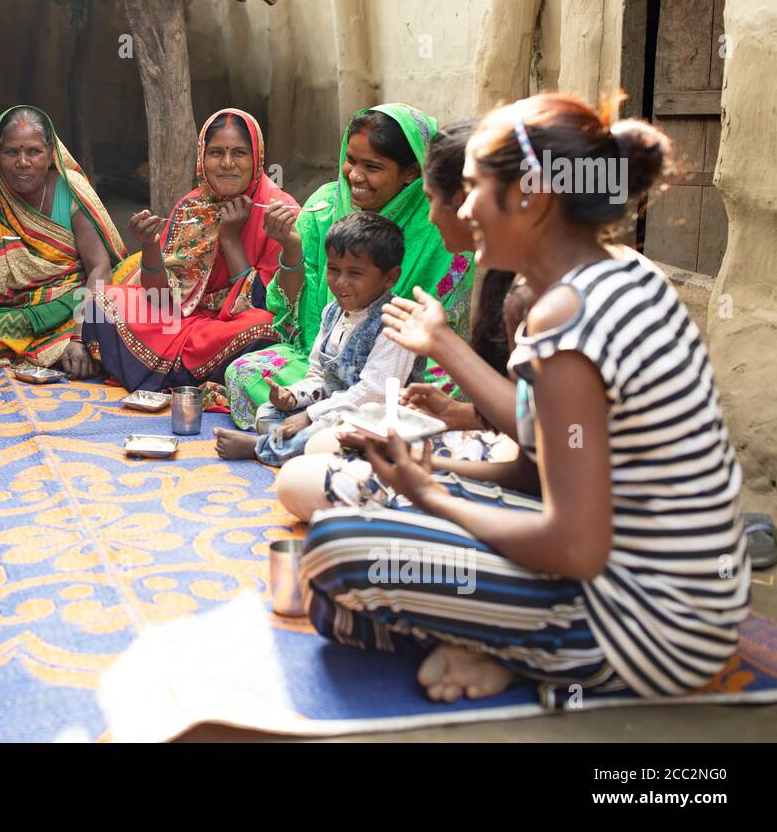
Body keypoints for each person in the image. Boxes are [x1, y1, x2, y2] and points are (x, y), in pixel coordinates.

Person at [298, 93, 749, 703]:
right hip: (695, 614)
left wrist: (429, 494)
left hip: (646, 631)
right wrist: (423, 473)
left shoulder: (567, 316)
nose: (465, 206)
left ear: (531, 196)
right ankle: (496, 645)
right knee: (353, 521)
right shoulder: (625, 272)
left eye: (475, 186)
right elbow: (543, 467)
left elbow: (573, 545)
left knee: (334, 552)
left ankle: (531, 653)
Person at [224, 104, 475, 429]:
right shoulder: (322, 208)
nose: (355, 176)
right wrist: (291, 248)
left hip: (402, 372)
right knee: (245, 372)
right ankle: (329, 428)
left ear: (411, 172)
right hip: (327, 367)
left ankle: (306, 429)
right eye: (351, 160)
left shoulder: (439, 227)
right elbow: (286, 310)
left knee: (430, 402)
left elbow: (438, 338)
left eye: (373, 166)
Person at [81, 108, 297, 391]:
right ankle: (191, 374)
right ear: (202, 158)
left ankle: (159, 370)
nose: (227, 163)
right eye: (217, 152)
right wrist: (149, 247)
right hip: (182, 321)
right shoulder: (192, 206)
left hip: (228, 327)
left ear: (257, 158)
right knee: (101, 303)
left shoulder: (279, 210)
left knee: (266, 329)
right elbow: (160, 298)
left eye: (240, 153)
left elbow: (266, 304)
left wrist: (230, 238)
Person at [0, 105, 127, 377]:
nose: (23, 162)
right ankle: (67, 350)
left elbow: (99, 268)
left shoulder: (71, 191)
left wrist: (81, 337)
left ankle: (76, 346)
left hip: (77, 306)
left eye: (33, 151)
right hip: (21, 319)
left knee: (135, 279)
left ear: (50, 154)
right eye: (11, 152)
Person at [213, 212, 422, 465]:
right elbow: (318, 376)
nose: (341, 282)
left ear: (390, 277)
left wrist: (310, 416)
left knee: (324, 432)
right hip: (333, 406)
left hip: (376, 415)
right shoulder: (332, 312)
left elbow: (374, 394)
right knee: (269, 411)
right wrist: (293, 396)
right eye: (334, 270)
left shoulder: (395, 322)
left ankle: (262, 448)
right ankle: (289, 442)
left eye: (355, 273)